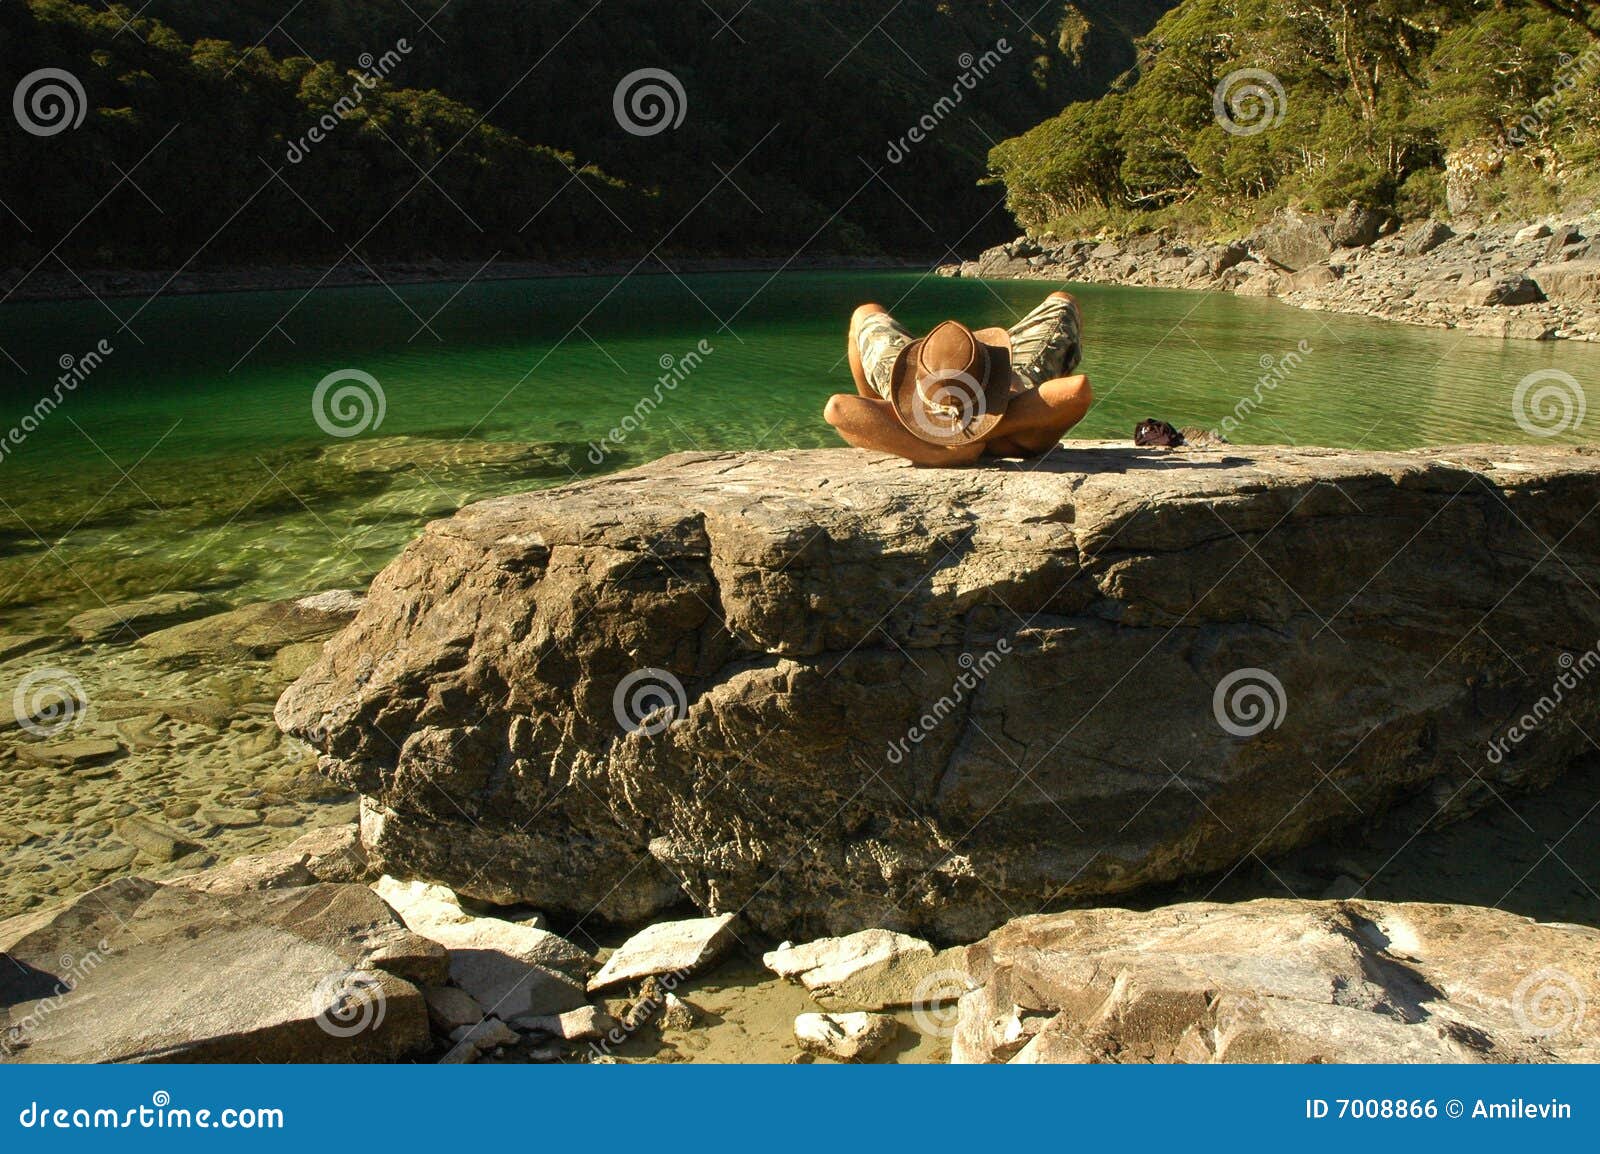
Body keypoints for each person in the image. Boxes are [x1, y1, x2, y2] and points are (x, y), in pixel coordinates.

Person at [823, 291, 1093, 466]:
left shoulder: (910, 420)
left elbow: (837, 409)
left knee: (864, 313)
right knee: (1064, 301)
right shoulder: (1021, 422)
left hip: (923, 388)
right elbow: (1078, 390)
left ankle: (879, 397)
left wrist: (941, 449)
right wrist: (981, 430)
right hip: (1008, 379)